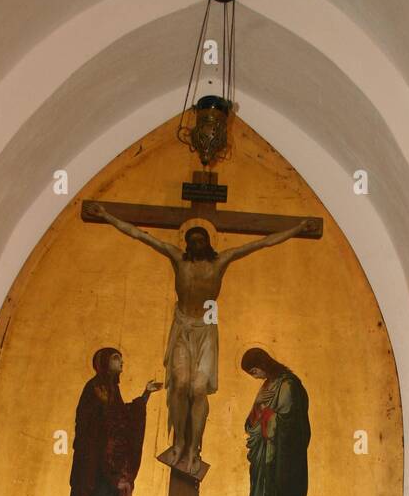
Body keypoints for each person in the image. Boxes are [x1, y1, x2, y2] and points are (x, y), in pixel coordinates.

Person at [87, 201, 317, 478]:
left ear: (208, 242)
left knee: (198, 390)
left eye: (201, 239)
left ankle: (194, 449)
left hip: (206, 329)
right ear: (187, 244)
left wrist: (297, 228)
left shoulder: (221, 261)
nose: (196, 243)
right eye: (192, 240)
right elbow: (139, 234)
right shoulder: (176, 257)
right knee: (181, 385)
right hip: (183, 327)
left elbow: (264, 243)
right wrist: (107, 216)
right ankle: (179, 444)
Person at [45, 348, 161, 496]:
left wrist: (145, 396)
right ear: (105, 362)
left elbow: (120, 419)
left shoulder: (111, 389)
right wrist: (110, 466)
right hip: (94, 471)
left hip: (105, 471)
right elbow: (94, 427)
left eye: (121, 359)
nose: (121, 363)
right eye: (117, 359)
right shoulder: (95, 388)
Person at [241, 347, 311, 496]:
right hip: (263, 466)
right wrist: (254, 419)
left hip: (281, 468)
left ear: (263, 364)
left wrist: (267, 418)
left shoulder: (288, 385)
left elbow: (290, 425)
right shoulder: (268, 385)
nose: (256, 377)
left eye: (255, 371)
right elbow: (252, 422)